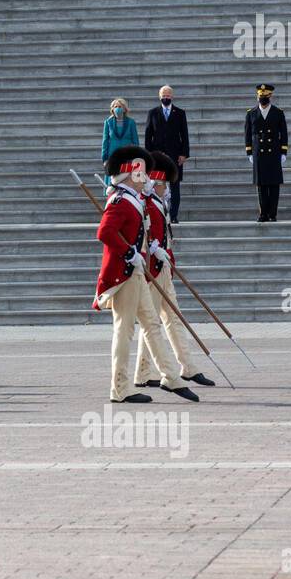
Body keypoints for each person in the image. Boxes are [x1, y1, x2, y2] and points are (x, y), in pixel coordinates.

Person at [92, 147, 198, 404]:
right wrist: (129, 252)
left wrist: (146, 250)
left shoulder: (132, 199)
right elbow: (105, 233)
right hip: (124, 274)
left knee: (151, 324)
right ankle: (120, 388)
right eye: (142, 173)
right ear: (130, 174)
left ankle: (171, 377)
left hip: (137, 271)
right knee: (125, 331)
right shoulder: (119, 201)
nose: (147, 178)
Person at [133, 152, 214, 391]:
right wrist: (155, 251)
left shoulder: (158, 203)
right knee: (153, 322)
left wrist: (167, 256)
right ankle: (144, 372)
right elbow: (147, 235)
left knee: (173, 319)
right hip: (154, 268)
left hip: (165, 265)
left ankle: (186, 366)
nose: (166, 188)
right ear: (156, 184)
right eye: (164, 184)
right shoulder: (147, 204)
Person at [144, 86, 189, 223]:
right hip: (158, 156)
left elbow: (185, 135)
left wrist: (184, 154)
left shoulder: (180, 113)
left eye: (169, 95)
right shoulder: (152, 113)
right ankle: (159, 215)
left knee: (175, 186)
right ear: (159, 96)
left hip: (175, 156)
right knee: (157, 185)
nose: (166, 97)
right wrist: (150, 154)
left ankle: (173, 215)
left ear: (172, 97)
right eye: (164, 95)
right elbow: (148, 135)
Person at [245, 84, 288, 222]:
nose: (262, 99)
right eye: (260, 97)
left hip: (274, 153)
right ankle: (263, 213)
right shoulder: (251, 113)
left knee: (274, 184)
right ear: (257, 97)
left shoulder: (278, 112)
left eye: (265, 97)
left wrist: (283, 152)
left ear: (270, 97)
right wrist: (249, 152)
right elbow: (247, 134)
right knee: (261, 184)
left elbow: (284, 134)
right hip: (259, 153)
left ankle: (272, 214)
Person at [100, 98, 139, 188]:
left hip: (127, 156)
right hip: (113, 156)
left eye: (120, 106)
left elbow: (135, 141)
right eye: (115, 106)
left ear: (125, 109)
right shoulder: (108, 122)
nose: (117, 108)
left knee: (127, 182)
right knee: (113, 184)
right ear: (112, 109)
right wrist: (105, 158)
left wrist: (136, 156)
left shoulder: (131, 122)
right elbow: (105, 141)